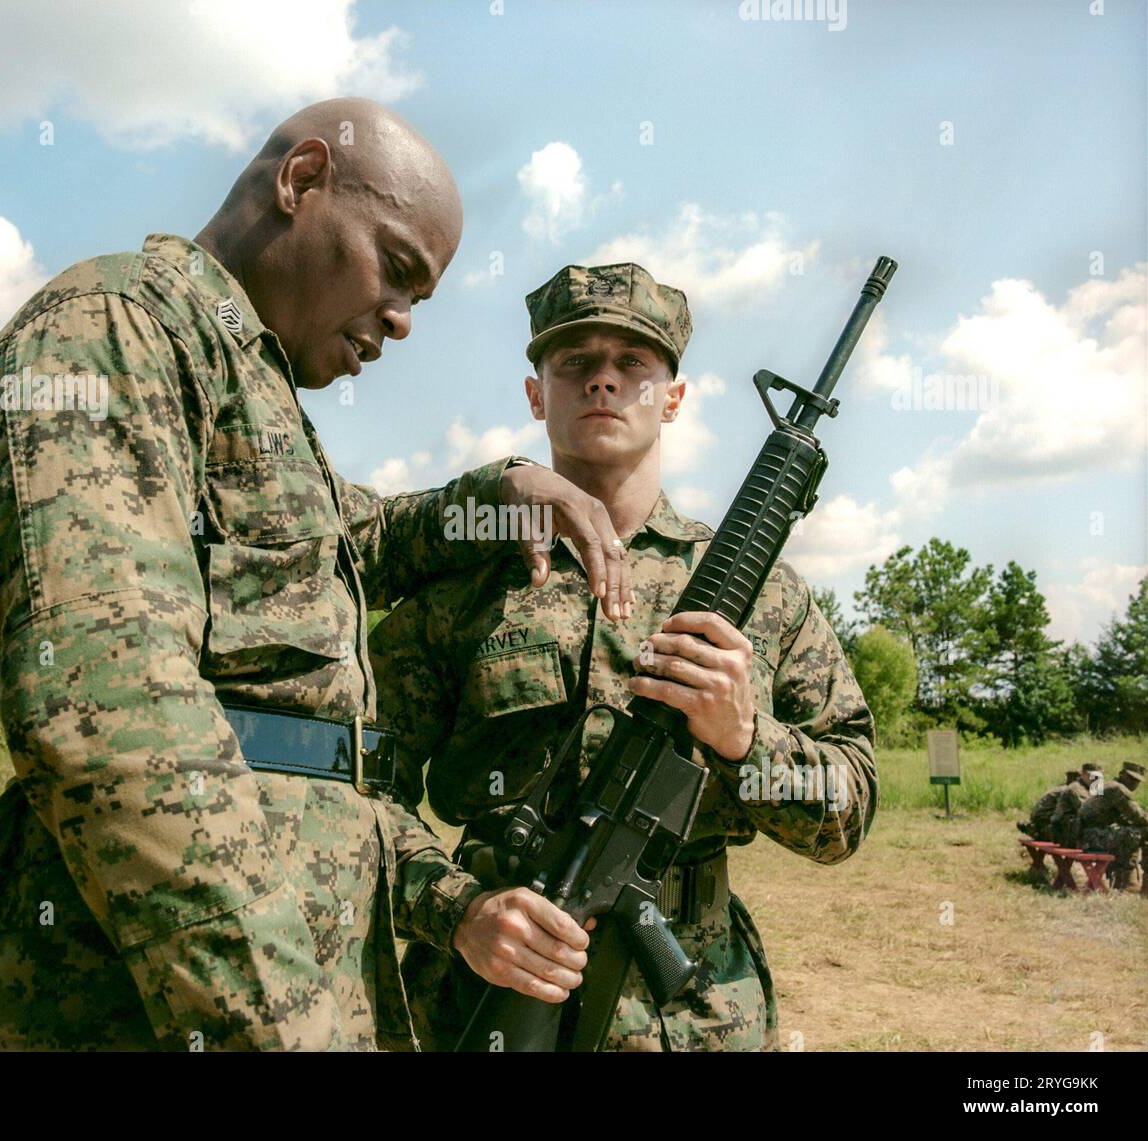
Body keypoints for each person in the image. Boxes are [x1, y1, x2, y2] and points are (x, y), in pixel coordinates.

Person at [0, 99, 628, 1052]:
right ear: (301, 180)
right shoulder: (118, 332)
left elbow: (356, 535)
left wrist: (501, 491)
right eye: (399, 269)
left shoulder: (250, 381)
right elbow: (111, 713)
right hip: (129, 1004)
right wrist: (283, 1020)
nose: (405, 321)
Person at [368, 261, 878, 1051]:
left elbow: (849, 809)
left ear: (673, 398)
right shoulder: (460, 589)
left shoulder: (766, 597)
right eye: (575, 363)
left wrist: (747, 738)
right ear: (536, 393)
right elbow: (359, 790)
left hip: (697, 1015)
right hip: (486, 994)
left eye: (632, 364)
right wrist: (457, 909)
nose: (602, 381)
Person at [1078, 762, 1148, 890]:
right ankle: (1130, 882)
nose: (1134, 783)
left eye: (1137, 781)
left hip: (1088, 836)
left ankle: (1125, 880)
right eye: (1131, 778)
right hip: (1092, 839)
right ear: (1121, 774)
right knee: (1140, 833)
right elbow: (1139, 817)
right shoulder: (1117, 789)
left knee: (1132, 833)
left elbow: (1125, 819)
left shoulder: (1109, 786)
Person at [1048, 764, 1099, 850]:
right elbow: (1088, 811)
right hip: (1063, 833)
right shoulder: (1076, 788)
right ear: (1083, 774)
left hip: (1068, 831)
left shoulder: (1088, 788)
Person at [1017, 772, 1079, 842]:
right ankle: (1041, 833)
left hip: (1037, 817)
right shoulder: (1068, 790)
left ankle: (1036, 831)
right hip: (1043, 818)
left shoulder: (1060, 788)